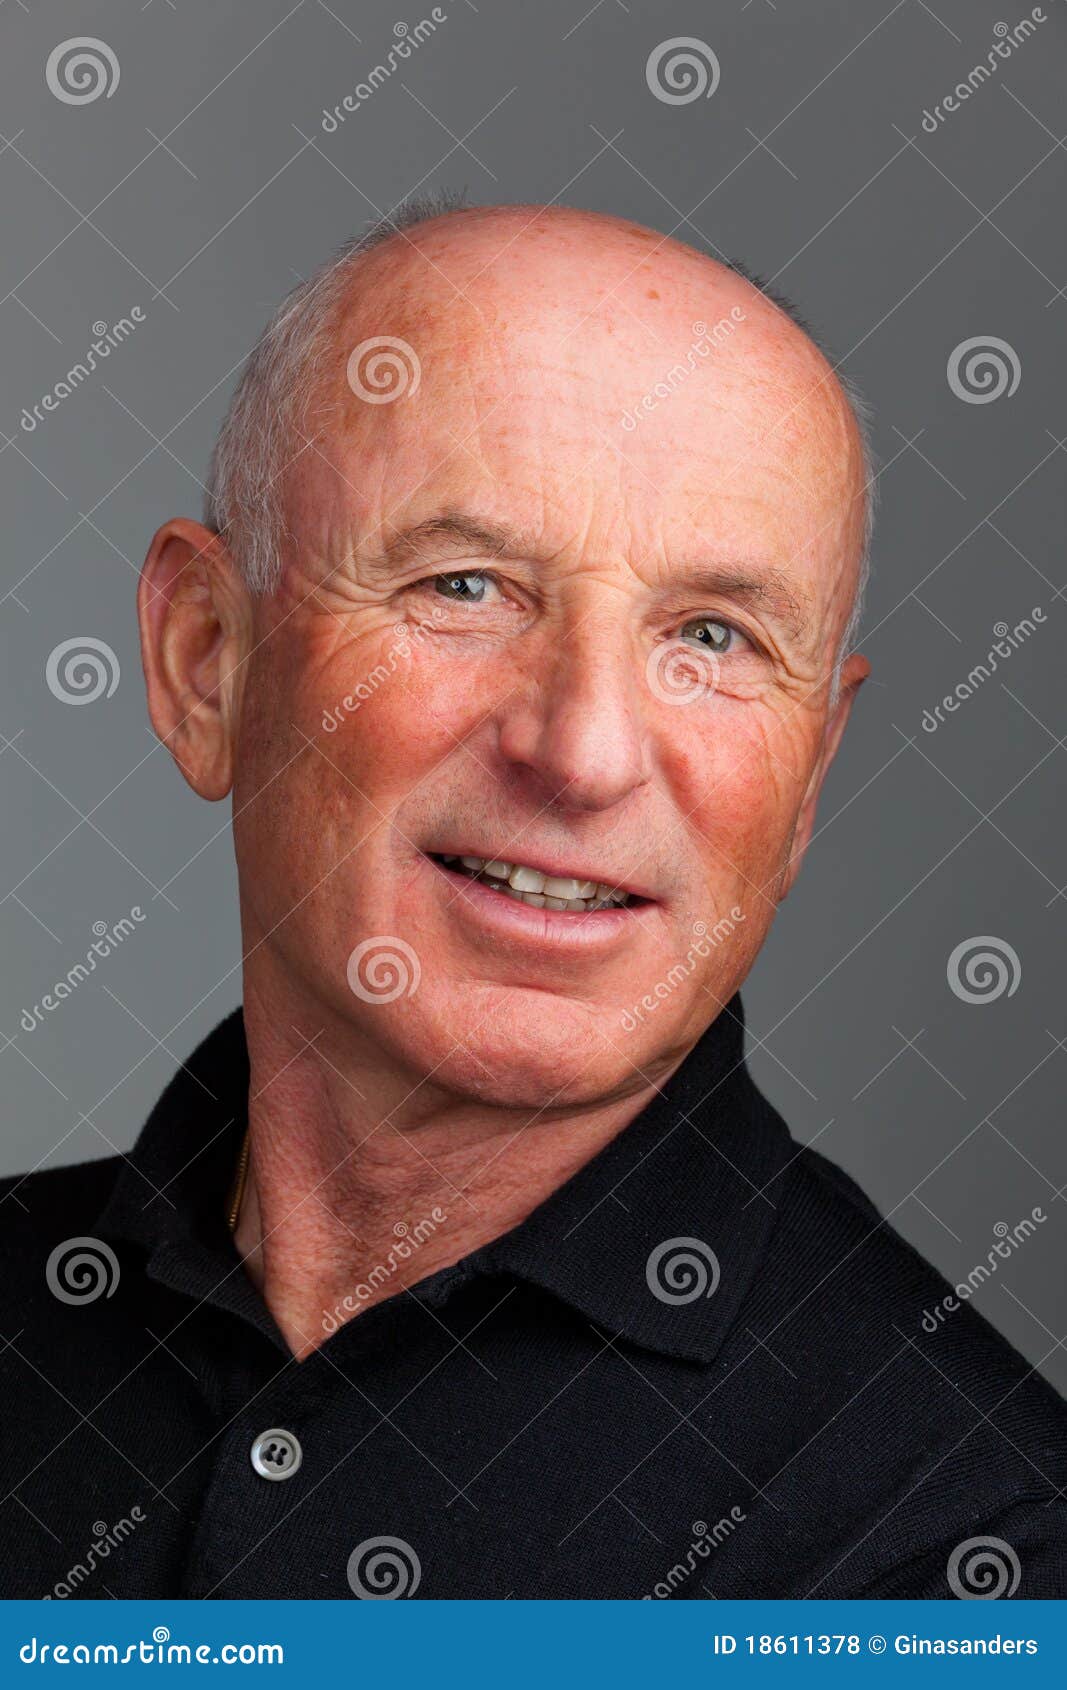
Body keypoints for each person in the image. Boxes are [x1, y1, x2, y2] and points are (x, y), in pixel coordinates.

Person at [2, 199, 1064, 1600]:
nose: (584, 751)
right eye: (467, 584)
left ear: (809, 776)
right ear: (208, 663)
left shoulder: (967, 1550)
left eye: (711, 636)